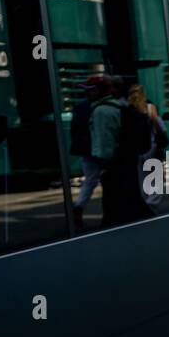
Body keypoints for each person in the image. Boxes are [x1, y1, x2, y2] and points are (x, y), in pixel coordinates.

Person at [91, 76, 153, 227]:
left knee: (116, 204)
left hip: (115, 163)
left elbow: (105, 141)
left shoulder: (103, 109)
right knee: (131, 198)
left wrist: (103, 163)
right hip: (128, 159)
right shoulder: (123, 107)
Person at [69, 75, 106, 230]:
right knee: (106, 179)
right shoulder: (99, 107)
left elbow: (74, 131)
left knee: (90, 180)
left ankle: (78, 206)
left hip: (87, 150)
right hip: (100, 149)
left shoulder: (80, 107)